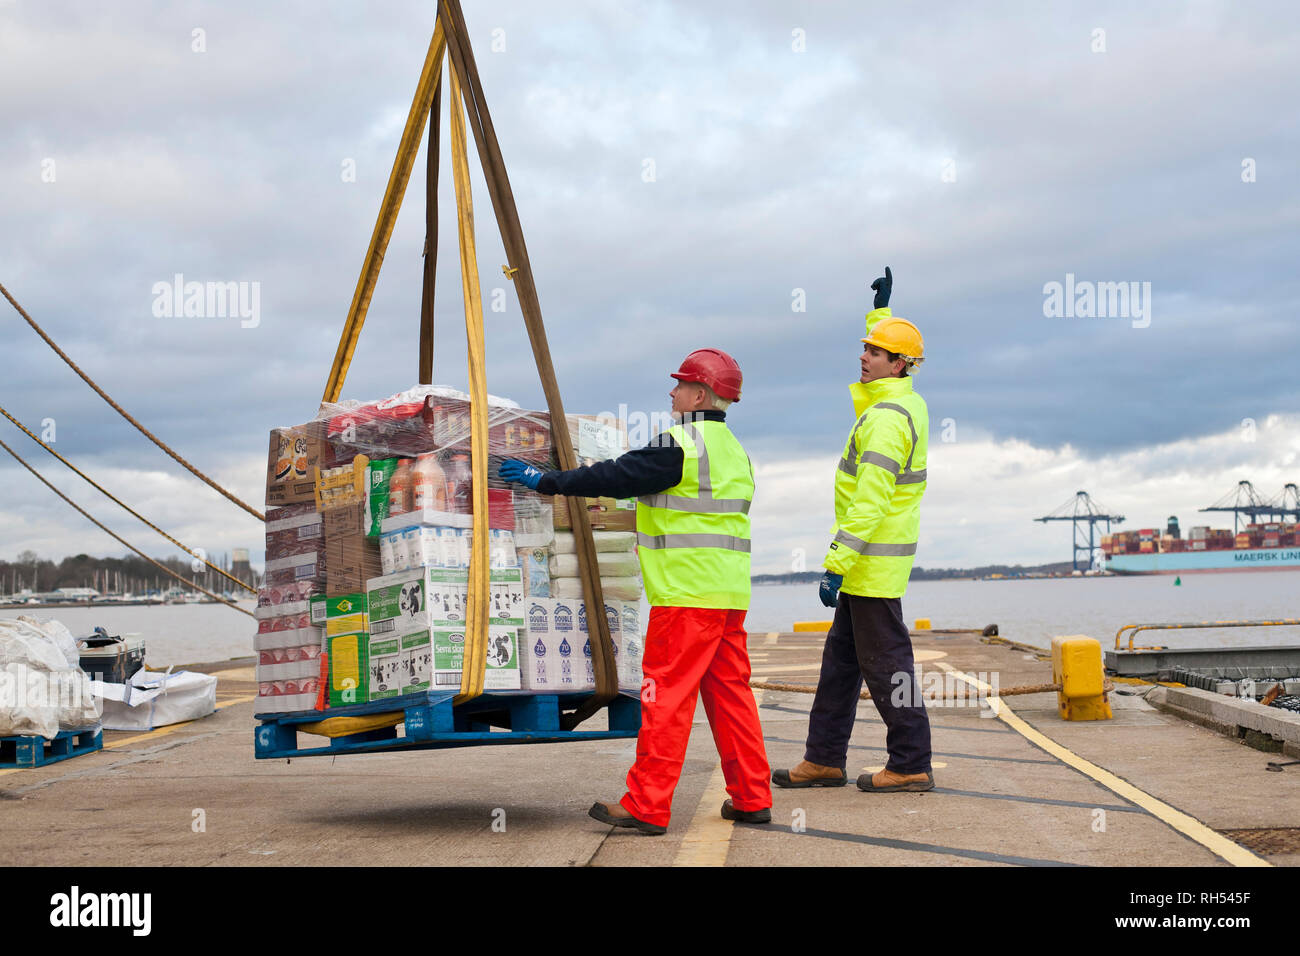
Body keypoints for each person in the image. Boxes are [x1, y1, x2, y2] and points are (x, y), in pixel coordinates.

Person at [498, 349, 771, 834]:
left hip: (684, 597)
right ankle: (752, 796)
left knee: (664, 697)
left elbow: (615, 475)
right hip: (727, 596)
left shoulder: (680, 444)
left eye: (680, 385)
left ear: (701, 395)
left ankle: (647, 804)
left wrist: (548, 481)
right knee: (732, 698)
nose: (672, 392)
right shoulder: (735, 451)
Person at [773, 267, 935, 794]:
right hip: (866, 565)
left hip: (870, 566)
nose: (863, 356)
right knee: (840, 668)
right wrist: (881, 314)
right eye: (864, 348)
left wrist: (836, 563)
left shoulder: (888, 419)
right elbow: (891, 351)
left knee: (890, 669)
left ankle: (911, 763)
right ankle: (823, 759)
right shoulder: (893, 402)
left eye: (873, 351)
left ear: (898, 365)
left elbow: (871, 501)